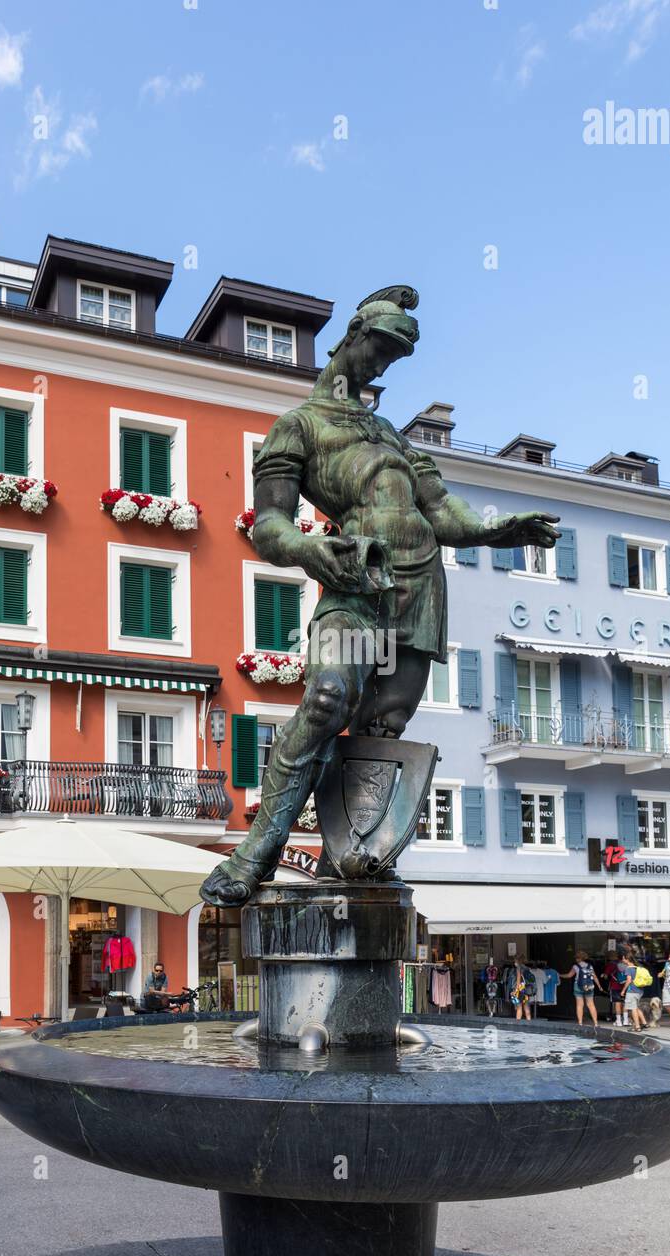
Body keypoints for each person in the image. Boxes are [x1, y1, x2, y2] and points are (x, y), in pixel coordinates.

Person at [199, 286, 560, 906]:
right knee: (328, 697)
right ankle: (258, 848)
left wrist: (497, 533)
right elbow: (269, 524)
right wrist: (313, 550)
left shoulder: (393, 434)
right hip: (354, 579)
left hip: (420, 583)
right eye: (379, 350)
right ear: (353, 335)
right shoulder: (299, 426)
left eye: (394, 359)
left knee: (385, 723)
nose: (381, 366)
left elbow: (443, 512)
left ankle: (353, 857)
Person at [560, 951, 603, 1025]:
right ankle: (596, 1023)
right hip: (589, 986)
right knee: (591, 1004)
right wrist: (599, 986)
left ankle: (580, 1023)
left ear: (578, 958)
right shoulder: (590, 966)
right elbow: (595, 977)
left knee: (580, 1005)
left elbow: (569, 975)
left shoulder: (575, 966)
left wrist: (560, 975)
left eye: (576, 958)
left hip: (578, 986)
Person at [621, 950, 652, 1032]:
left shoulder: (628, 968)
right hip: (640, 991)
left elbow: (629, 980)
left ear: (627, 959)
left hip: (632, 991)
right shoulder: (637, 967)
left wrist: (623, 990)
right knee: (636, 1007)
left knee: (633, 1009)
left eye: (623, 959)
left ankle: (637, 1026)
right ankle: (644, 1023)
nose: (622, 960)